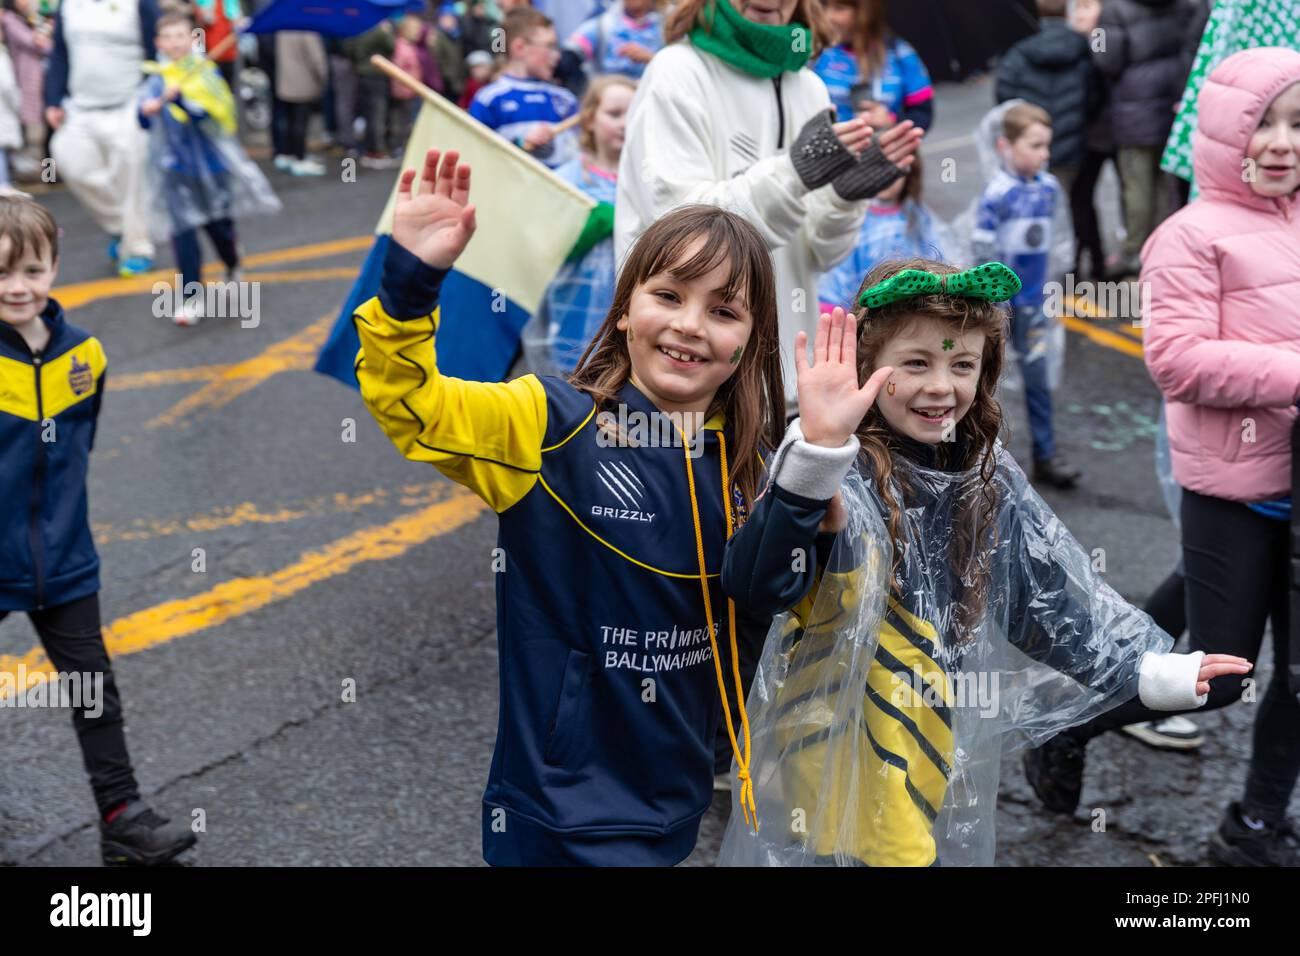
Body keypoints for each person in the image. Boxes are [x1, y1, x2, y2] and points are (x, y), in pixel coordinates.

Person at [714, 260, 1250, 866]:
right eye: (916, 362)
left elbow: (1048, 596)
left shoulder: (980, 474)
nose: (942, 386)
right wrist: (814, 463)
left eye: (961, 364)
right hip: (819, 737)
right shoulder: (826, 463)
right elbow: (755, 586)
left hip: (920, 743)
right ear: (867, 366)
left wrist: (1145, 670)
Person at [354, 148, 790, 866]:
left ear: (747, 346)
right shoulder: (548, 422)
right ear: (624, 311)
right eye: (669, 295)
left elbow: (774, 609)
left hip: (674, 803)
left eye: (723, 311)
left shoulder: (751, 465)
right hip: (555, 811)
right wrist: (409, 290)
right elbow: (415, 409)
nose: (689, 325)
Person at [1024, 48, 1300, 868]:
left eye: (1299, 124)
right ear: (1223, 132)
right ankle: (1069, 729)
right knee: (1219, 675)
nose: (1282, 142)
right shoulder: (1189, 235)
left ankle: (1251, 830)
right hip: (1235, 490)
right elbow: (1175, 360)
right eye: (1263, 124)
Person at [0, 196, 197, 866]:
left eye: (31, 268)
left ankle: (123, 818)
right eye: (1, 274)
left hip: (64, 560)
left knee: (94, 691)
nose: (18, 286)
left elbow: (78, 450)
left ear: (55, 264)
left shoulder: (86, 354)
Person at [617, 0, 923, 410]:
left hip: (784, 384)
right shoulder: (676, 71)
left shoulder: (808, 85)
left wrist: (844, 196)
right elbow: (681, 237)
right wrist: (793, 175)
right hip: (689, 375)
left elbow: (818, 255)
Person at [138, 10, 280, 326]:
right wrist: (147, 109)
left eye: (180, 36)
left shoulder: (206, 73)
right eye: (168, 37)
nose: (174, 43)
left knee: (217, 226)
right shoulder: (155, 77)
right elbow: (142, 119)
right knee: (184, 232)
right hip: (175, 168)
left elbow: (217, 113)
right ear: (158, 42)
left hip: (212, 168)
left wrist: (182, 101)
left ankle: (232, 262)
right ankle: (191, 297)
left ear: (192, 39)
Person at [972, 102, 1079, 488]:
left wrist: (1054, 289)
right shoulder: (997, 195)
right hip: (1004, 309)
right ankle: (986, 462)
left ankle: (1046, 456)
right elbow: (983, 253)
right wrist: (993, 305)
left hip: (1035, 305)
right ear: (1005, 145)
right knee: (990, 383)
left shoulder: (1049, 190)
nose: (1044, 154)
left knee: (1038, 380)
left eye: (1046, 146)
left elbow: (1061, 242)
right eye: (1035, 145)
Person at [522, 74, 634, 374]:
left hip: (629, 324)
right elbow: (542, 244)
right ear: (588, 120)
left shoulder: (647, 183)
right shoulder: (566, 180)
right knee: (568, 400)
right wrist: (599, 222)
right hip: (570, 312)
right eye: (614, 114)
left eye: (634, 115)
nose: (625, 123)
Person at [43, 0, 159, 276]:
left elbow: (156, 48)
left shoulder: (140, 4)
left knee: (130, 179)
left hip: (129, 104)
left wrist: (151, 95)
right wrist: (53, 99)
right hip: (80, 107)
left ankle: (139, 246)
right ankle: (119, 226)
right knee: (72, 162)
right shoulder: (68, 5)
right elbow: (60, 52)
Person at [1093, 0, 1183, 276]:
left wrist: (1093, 39)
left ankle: (1135, 253)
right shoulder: (1181, 5)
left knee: (1136, 186)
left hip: (1134, 108)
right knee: (1163, 184)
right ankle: (1161, 249)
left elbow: (1106, 59)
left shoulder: (1114, 9)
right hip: (1169, 100)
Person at [819, 152, 952, 314]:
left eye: (894, 171)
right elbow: (840, 270)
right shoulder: (856, 219)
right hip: (866, 313)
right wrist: (836, 311)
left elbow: (937, 258)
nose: (887, 179)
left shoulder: (916, 216)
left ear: (908, 174)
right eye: (879, 169)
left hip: (916, 312)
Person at [995, 0, 1101, 197]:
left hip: (1029, 145)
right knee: (1075, 204)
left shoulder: (1019, 51)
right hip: (1073, 148)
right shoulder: (1082, 48)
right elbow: (1093, 97)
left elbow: (1005, 98)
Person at [469, 7, 579, 169]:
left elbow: (579, 155)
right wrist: (520, 143)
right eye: (549, 46)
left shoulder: (565, 98)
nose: (556, 56)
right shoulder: (490, 99)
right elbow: (476, 155)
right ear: (520, 47)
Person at [815, 0, 933, 129]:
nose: (828, 16)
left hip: (885, 144)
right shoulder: (817, 53)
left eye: (840, 8)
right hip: (832, 144)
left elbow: (922, 113)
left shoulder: (899, 53)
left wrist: (892, 121)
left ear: (865, 12)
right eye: (825, 6)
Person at [2, 0, 52, 180]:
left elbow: (46, 44)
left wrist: (43, 33)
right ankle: (12, 176)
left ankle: (49, 175)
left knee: (48, 133)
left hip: (41, 83)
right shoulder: (10, 21)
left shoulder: (30, 18)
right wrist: (43, 36)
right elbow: (37, 43)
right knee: (21, 134)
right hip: (22, 84)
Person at [565, 0, 665, 81]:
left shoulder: (664, 28)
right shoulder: (604, 24)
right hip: (608, 95)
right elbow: (573, 50)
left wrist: (651, 59)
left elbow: (674, 68)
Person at [274, 30, 328, 176]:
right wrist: (324, 79)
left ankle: (287, 154)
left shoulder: (283, 30)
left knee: (289, 121)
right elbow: (317, 60)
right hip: (303, 83)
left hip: (285, 82)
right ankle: (300, 158)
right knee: (300, 123)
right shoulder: (308, 31)